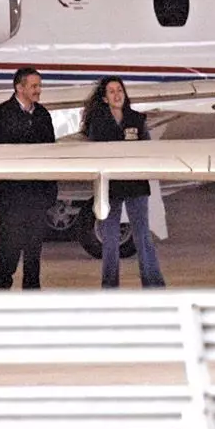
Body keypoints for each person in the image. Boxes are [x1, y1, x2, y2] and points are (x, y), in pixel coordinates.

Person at [81, 76, 166, 289]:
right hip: (109, 186)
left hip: (136, 184)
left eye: (120, 90)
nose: (117, 95)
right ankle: (109, 286)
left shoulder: (137, 118)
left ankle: (153, 285)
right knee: (110, 240)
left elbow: (146, 148)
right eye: (112, 91)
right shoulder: (98, 122)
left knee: (142, 236)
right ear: (104, 97)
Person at [0, 66, 57, 289]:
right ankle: (2, 284)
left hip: (38, 193)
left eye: (39, 86)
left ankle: (32, 290)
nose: (38, 90)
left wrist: (50, 190)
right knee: (10, 242)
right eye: (34, 86)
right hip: (12, 194)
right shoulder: (0, 114)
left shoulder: (43, 115)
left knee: (34, 245)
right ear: (19, 87)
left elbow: (50, 152)